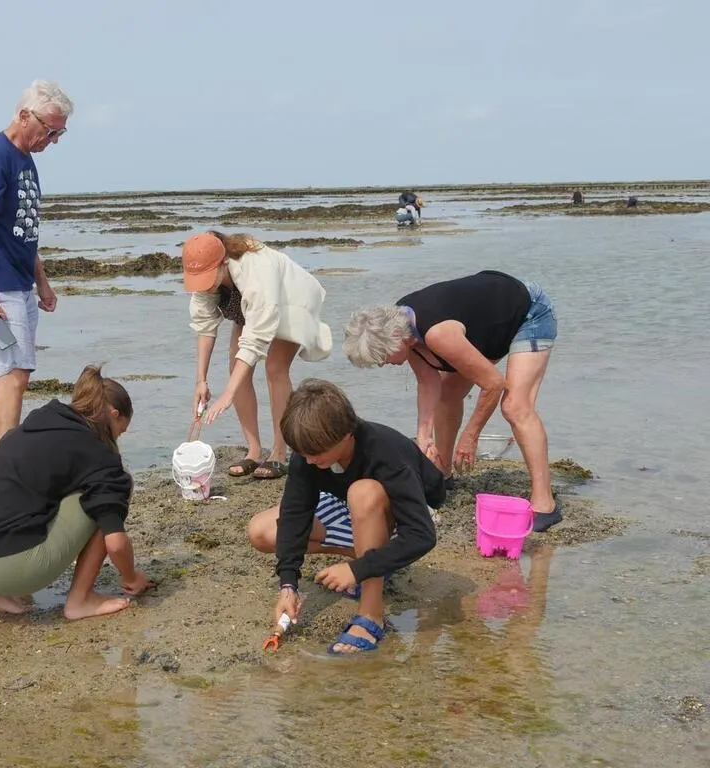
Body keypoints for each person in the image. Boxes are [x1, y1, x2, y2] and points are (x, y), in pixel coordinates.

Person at [343, 269, 562, 531]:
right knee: (447, 395)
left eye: (383, 358)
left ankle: (545, 504)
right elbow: (428, 383)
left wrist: (470, 436)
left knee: (515, 406)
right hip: (487, 325)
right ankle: (442, 475)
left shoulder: (436, 334)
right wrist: (423, 437)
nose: (383, 365)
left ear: (398, 339)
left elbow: (493, 385)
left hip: (528, 312)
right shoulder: (404, 327)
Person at [247, 379, 443, 654]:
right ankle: (372, 559)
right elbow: (295, 513)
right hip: (351, 507)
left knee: (363, 493)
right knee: (261, 530)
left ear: (346, 434)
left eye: (315, 454)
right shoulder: (308, 452)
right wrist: (288, 584)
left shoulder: (385, 451)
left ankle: (371, 614)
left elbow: (422, 535)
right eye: (303, 454)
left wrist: (357, 570)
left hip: (405, 514)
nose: (309, 460)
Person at [0, 365, 154, 620]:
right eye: (121, 429)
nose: (121, 436)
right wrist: (131, 577)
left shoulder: (40, 423)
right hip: (8, 566)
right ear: (113, 414)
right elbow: (115, 543)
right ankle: (80, 601)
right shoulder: (100, 456)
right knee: (109, 495)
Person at [0, 80, 73, 445]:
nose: (52, 140)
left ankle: (6, 462)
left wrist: (43, 281)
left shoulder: (26, 161)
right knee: (11, 375)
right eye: (49, 130)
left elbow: (22, 229)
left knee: (20, 374)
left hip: (19, 283)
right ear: (24, 116)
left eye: (59, 133)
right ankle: (1, 468)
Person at [184, 231, 333, 479]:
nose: (205, 285)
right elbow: (204, 326)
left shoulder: (256, 270)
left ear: (223, 262)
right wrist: (201, 380)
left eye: (209, 278)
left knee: (275, 368)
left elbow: (256, 338)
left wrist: (228, 394)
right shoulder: (205, 278)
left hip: (289, 301)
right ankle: (253, 450)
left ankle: (279, 452)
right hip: (249, 308)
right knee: (237, 369)